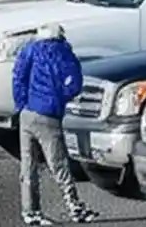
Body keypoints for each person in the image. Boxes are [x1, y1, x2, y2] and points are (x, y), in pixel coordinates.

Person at [11, 23, 98, 226]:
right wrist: (60, 99)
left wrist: (22, 104)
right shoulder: (64, 53)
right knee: (59, 166)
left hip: (27, 114)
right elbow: (75, 84)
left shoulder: (29, 50)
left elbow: (18, 77)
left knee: (28, 166)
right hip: (49, 116)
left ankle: (30, 212)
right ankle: (75, 209)